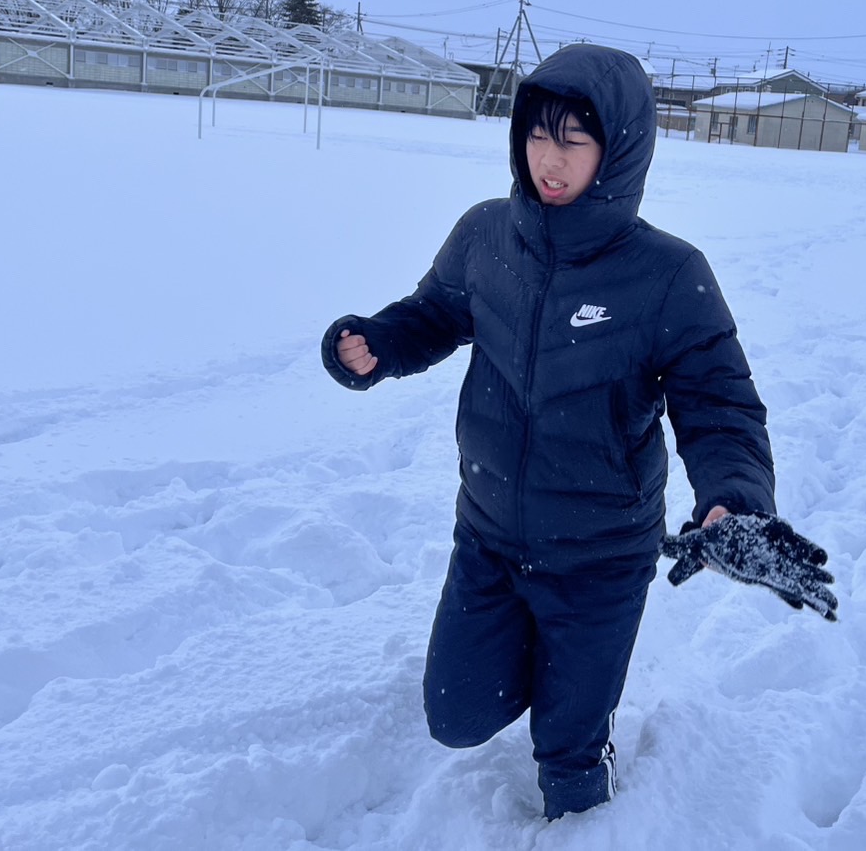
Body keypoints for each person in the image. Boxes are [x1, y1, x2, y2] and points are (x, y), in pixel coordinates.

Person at [321, 44, 813, 820]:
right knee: (455, 718)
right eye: (536, 134)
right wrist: (375, 343)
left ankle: (583, 729)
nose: (547, 159)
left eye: (572, 140)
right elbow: (434, 314)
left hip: (598, 556)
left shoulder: (665, 274)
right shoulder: (486, 235)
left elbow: (719, 403)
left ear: (615, 150)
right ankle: (547, 668)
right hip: (487, 534)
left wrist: (731, 499)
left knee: (568, 763)